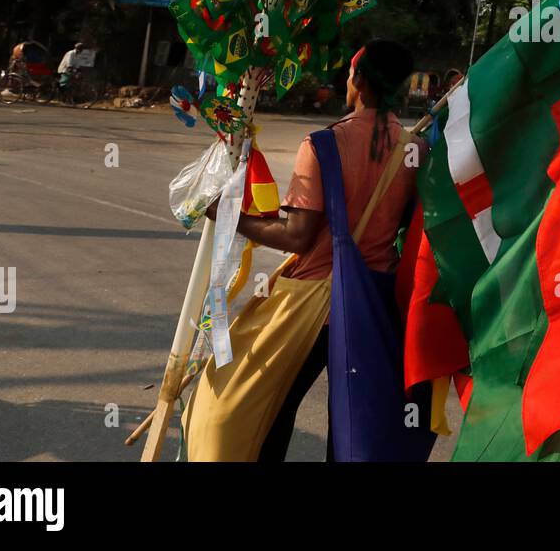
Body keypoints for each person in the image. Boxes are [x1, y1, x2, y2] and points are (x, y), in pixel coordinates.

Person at [183, 39, 432, 462]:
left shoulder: (322, 144)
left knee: (254, 402)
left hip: (316, 299)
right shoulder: (417, 149)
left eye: (351, 73)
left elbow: (297, 236)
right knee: (357, 420)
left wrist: (227, 216)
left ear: (359, 81)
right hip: (376, 300)